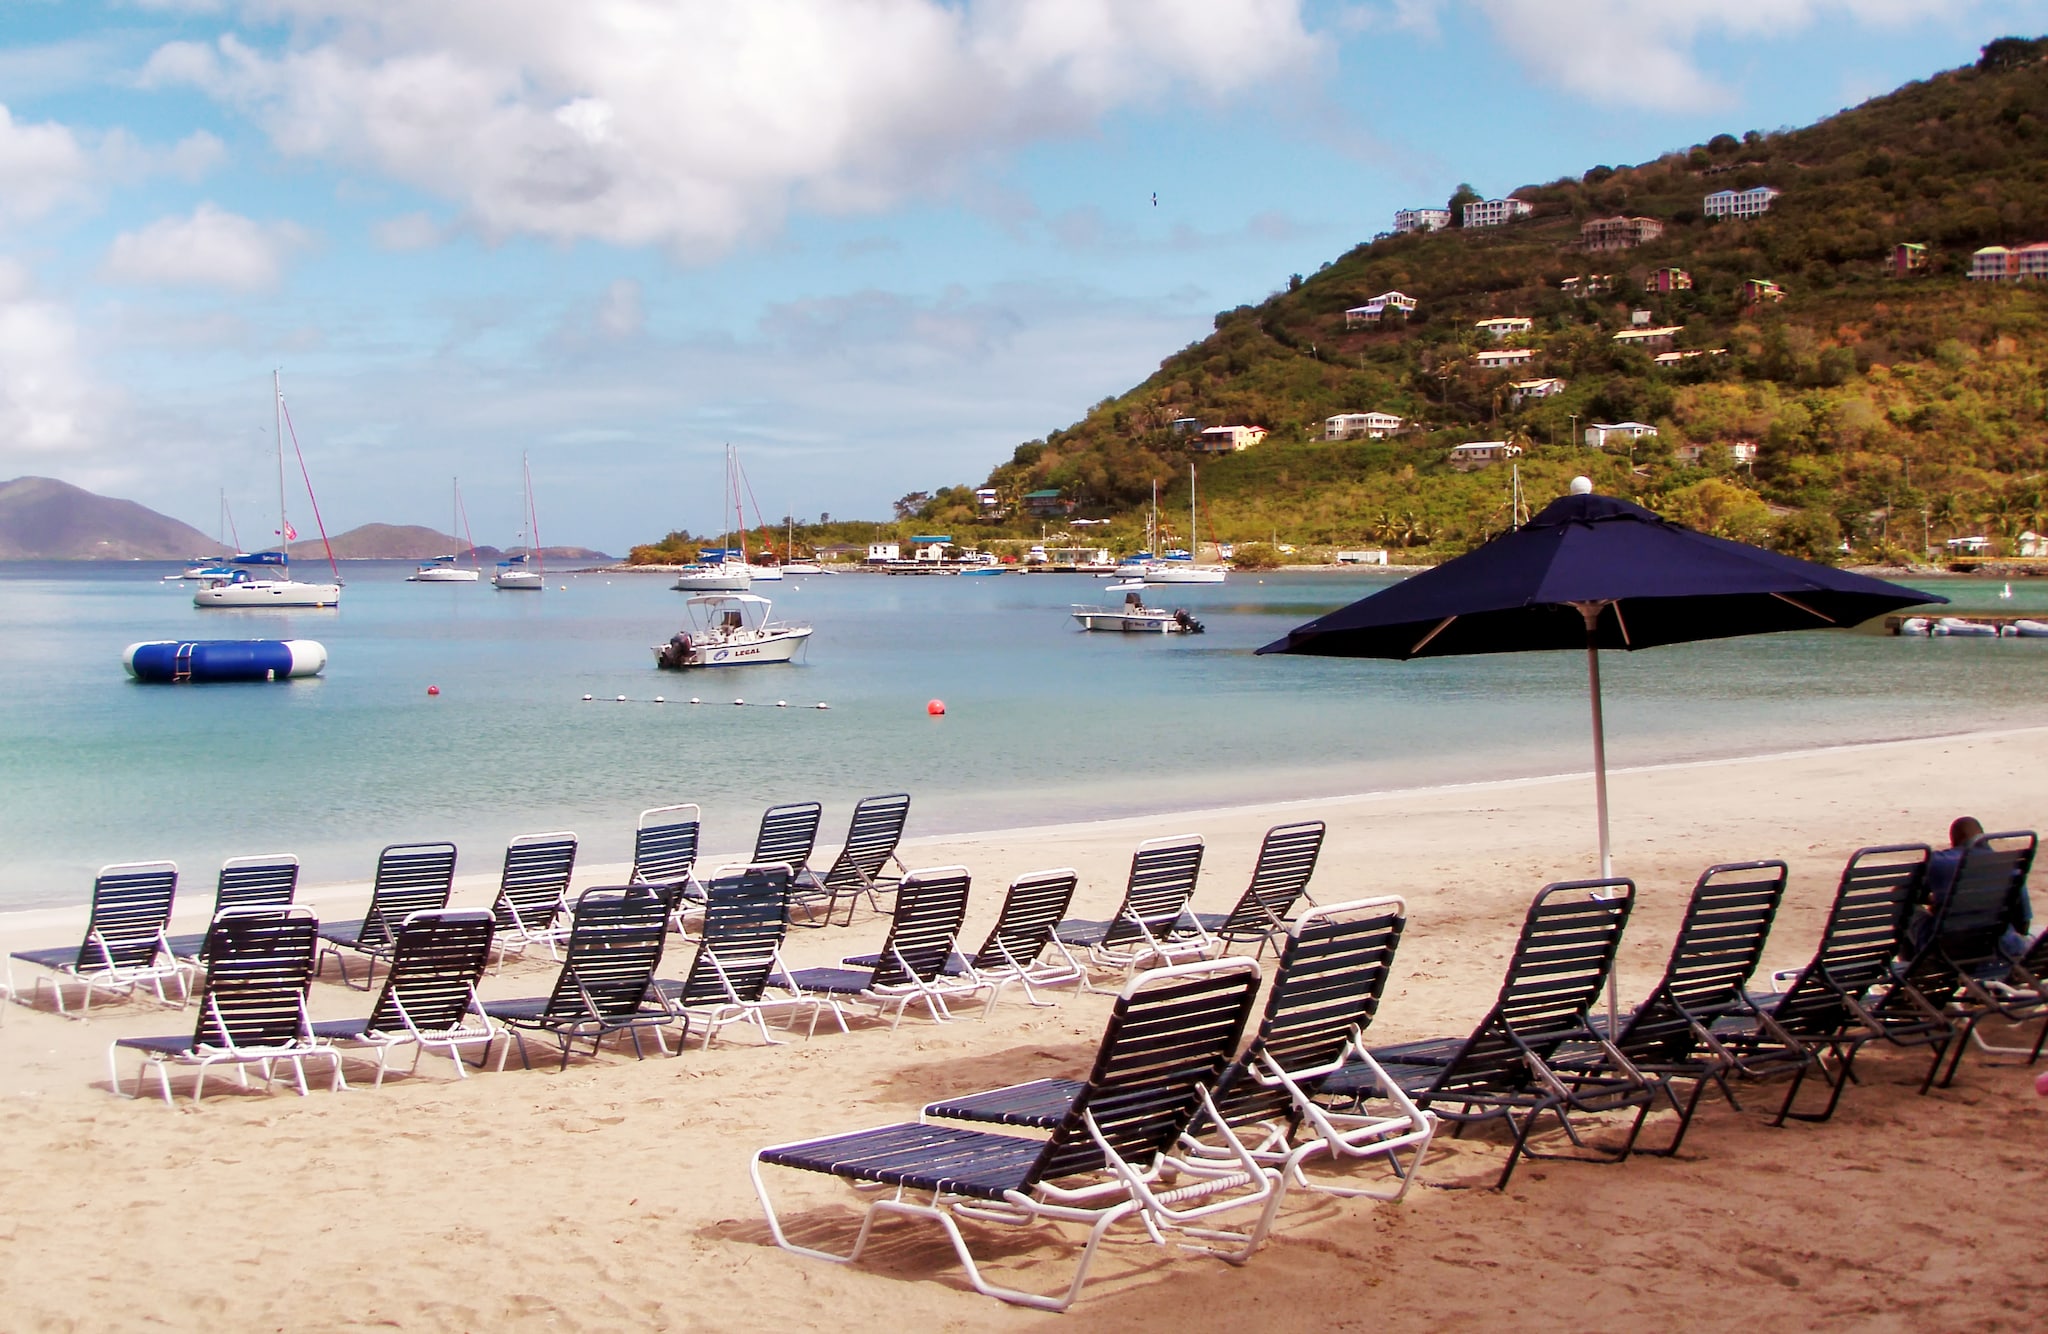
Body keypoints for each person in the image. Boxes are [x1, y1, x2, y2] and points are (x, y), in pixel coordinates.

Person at [1909, 816, 2033, 957]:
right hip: (2001, 949)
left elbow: (1904, 895)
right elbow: (2023, 925)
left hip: (1946, 950)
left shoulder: (1938, 861)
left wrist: (1936, 901)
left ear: (1954, 841)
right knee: (2035, 933)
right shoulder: (2010, 866)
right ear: (1984, 838)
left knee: (1907, 910)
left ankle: (1912, 968)